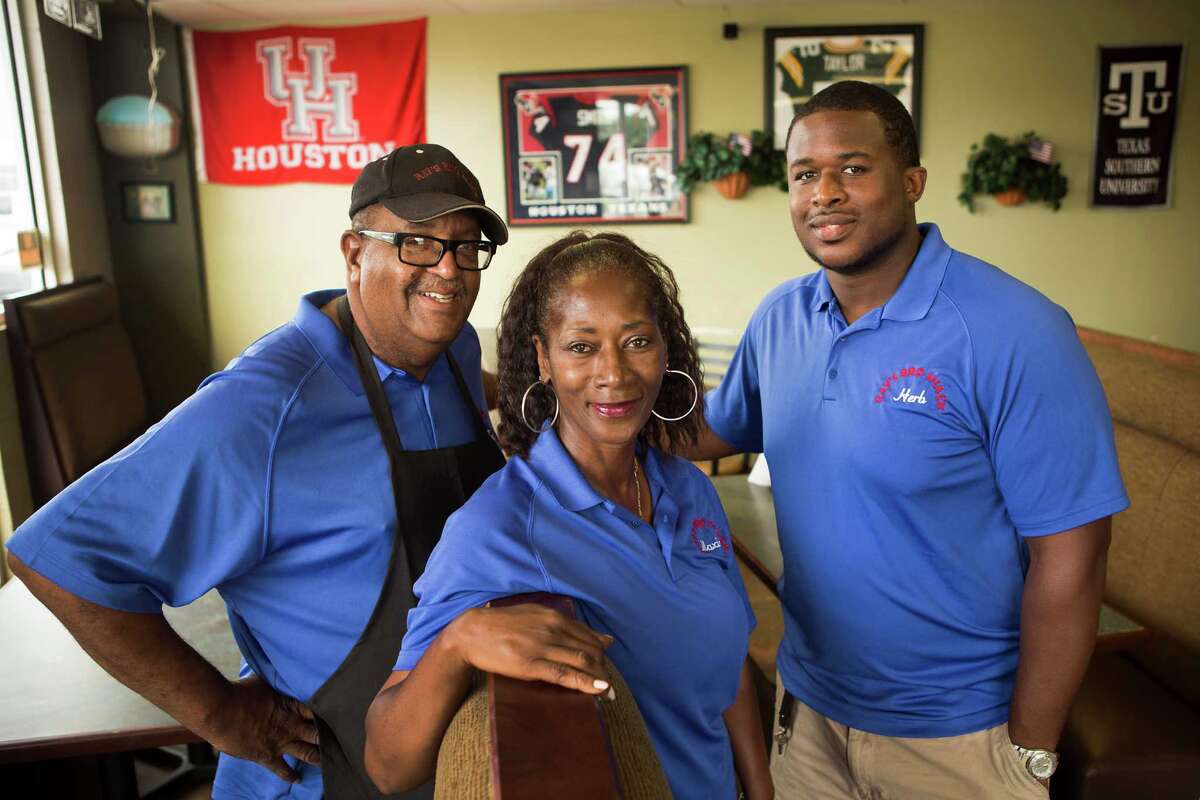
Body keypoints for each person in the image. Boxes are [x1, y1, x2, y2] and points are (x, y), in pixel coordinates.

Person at [5, 143, 510, 799]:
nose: (448, 269)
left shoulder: (451, 351)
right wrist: (220, 713)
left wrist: (562, 394)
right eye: (417, 242)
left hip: (450, 758)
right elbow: (56, 557)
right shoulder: (263, 407)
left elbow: (469, 392)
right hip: (329, 776)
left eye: (466, 246)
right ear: (355, 253)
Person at [689, 81, 1129, 799]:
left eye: (853, 168)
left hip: (962, 741)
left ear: (913, 181)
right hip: (810, 721)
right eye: (804, 175)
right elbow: (713, 430)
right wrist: (586, 407)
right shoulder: (780, 318)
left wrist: (1030, 753)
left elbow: (1073, 555)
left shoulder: (1016, 330)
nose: (824, 193)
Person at [363, 232, 773, 799]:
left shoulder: (689, 490)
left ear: (665, 349)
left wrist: (760, 787)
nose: (614, 373)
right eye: (582, 347)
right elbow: (388, 764)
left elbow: (728, 669)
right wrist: (457, 644)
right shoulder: (501, 526)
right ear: (543, 360)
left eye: (636, 341)